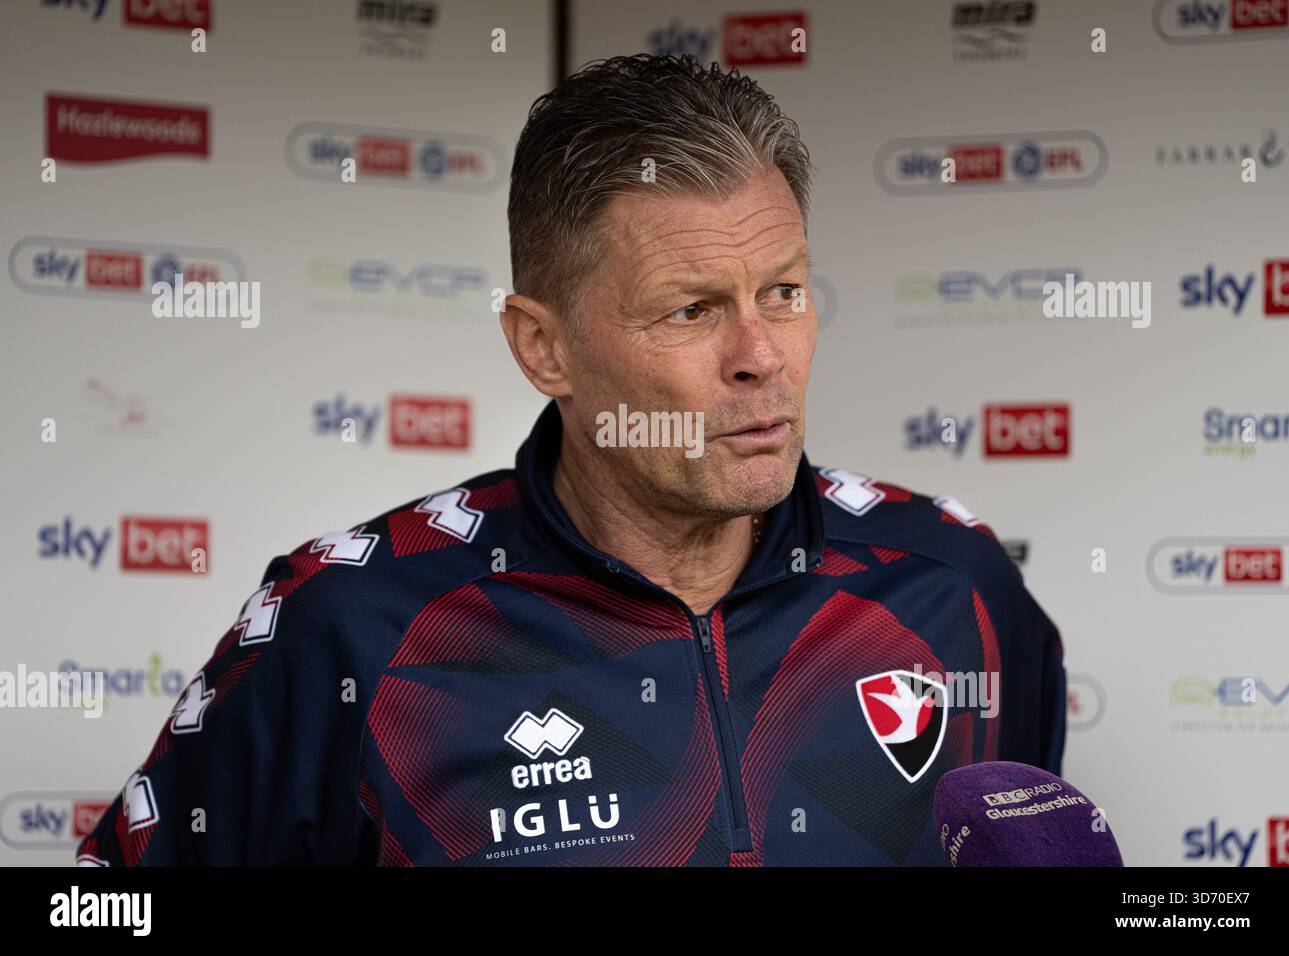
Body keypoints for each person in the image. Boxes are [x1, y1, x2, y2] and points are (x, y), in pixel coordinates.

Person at [78, 54, 1065, 867]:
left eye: (785, 291)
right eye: (690, 308)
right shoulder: (348, 626)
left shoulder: (949, 582)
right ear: (542, 347)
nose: (760, 355)